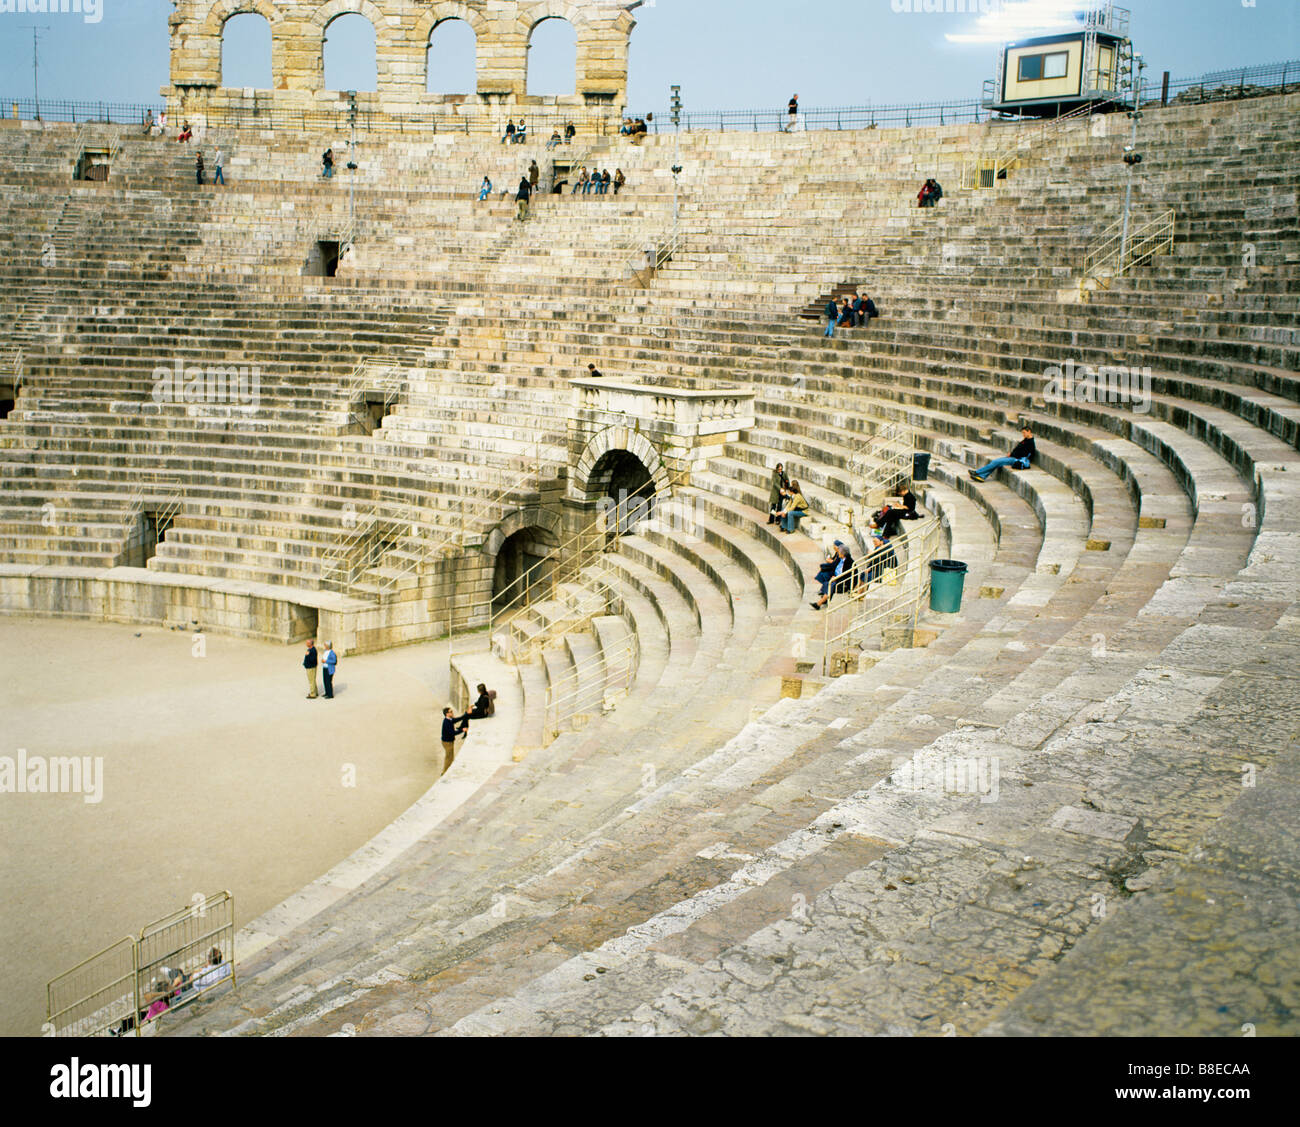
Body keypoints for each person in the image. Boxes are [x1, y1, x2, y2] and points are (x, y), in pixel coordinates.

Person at [969, 426, 1036, 482]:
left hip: (1016, 459)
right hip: (1013, 457)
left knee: (995, 462)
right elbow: (1018, 449)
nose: (1023, 434)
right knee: (996, 462)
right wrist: (1011, 453)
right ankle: (982, 477)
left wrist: (1012, 455)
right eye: (1022, 433)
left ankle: (977, 472)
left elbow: (1024, 454)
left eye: (1024, 433)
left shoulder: (1030, 443)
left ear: (1029, 431)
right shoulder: (1026, 440)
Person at [810, 542, 855, 610]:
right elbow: (834, 566)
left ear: (843, 554)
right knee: (826, 581)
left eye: (839, 552)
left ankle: (819, 603)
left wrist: (837, 578)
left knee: (831, 584)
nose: (838, 553)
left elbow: (847, 575)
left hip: (842, 582)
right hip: (835, 577)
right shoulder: (840, 559)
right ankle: (824, 600)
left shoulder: (849, 562)